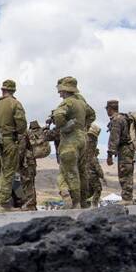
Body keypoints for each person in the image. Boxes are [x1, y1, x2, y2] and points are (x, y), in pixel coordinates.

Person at [47, 77, 90, 209]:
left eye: (60, 91)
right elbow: (92, 115)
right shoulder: (82, 103)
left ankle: (74, 202)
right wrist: (81, 125)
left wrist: (63, 126)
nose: (59, 93)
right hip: (82, 139)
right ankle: (83, 201)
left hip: (69, 140)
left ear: (65, 89)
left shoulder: (67, 103)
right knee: (81, 171)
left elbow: (59, 115)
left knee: (71, 172)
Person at [0, 79, 27, 212]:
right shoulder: (15, 104)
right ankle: (4, 205)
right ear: (13, 90)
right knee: (8, 172)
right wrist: (17, 133)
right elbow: (21, 124)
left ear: (2, 90)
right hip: (10, 141)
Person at [105, 100, 136, 202]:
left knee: (124, 174)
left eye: (107, 108)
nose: (106, 111)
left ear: (110, 108)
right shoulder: (123, 118)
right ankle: (127, 198)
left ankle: (127, 199)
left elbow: (114, 138)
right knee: (127, 173)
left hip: (124, 150)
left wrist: (110, 155)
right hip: (128, 150)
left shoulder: (116, 120)